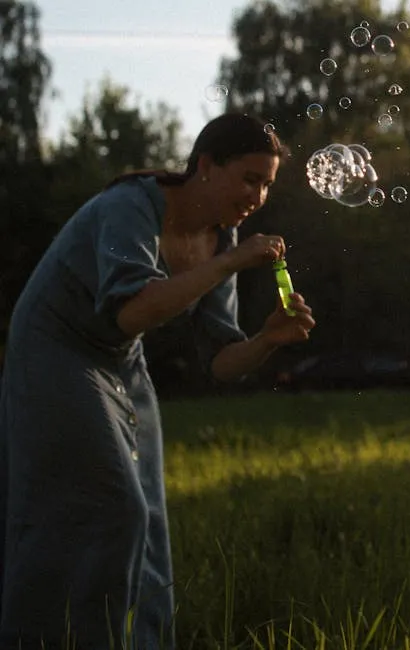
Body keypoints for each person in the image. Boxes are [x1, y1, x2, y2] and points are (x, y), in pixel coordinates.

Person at [0, 113, 315, 649]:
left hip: (121, 360)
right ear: (207, 166)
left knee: (148, 522)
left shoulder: (224, 237)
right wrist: (232, 262)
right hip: (57, 347)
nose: (258, 195)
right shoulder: (133, 206)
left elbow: (220, 363)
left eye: (267, 184)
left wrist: (266, 340)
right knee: (112, 507)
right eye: (249, 178)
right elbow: (131, 311)